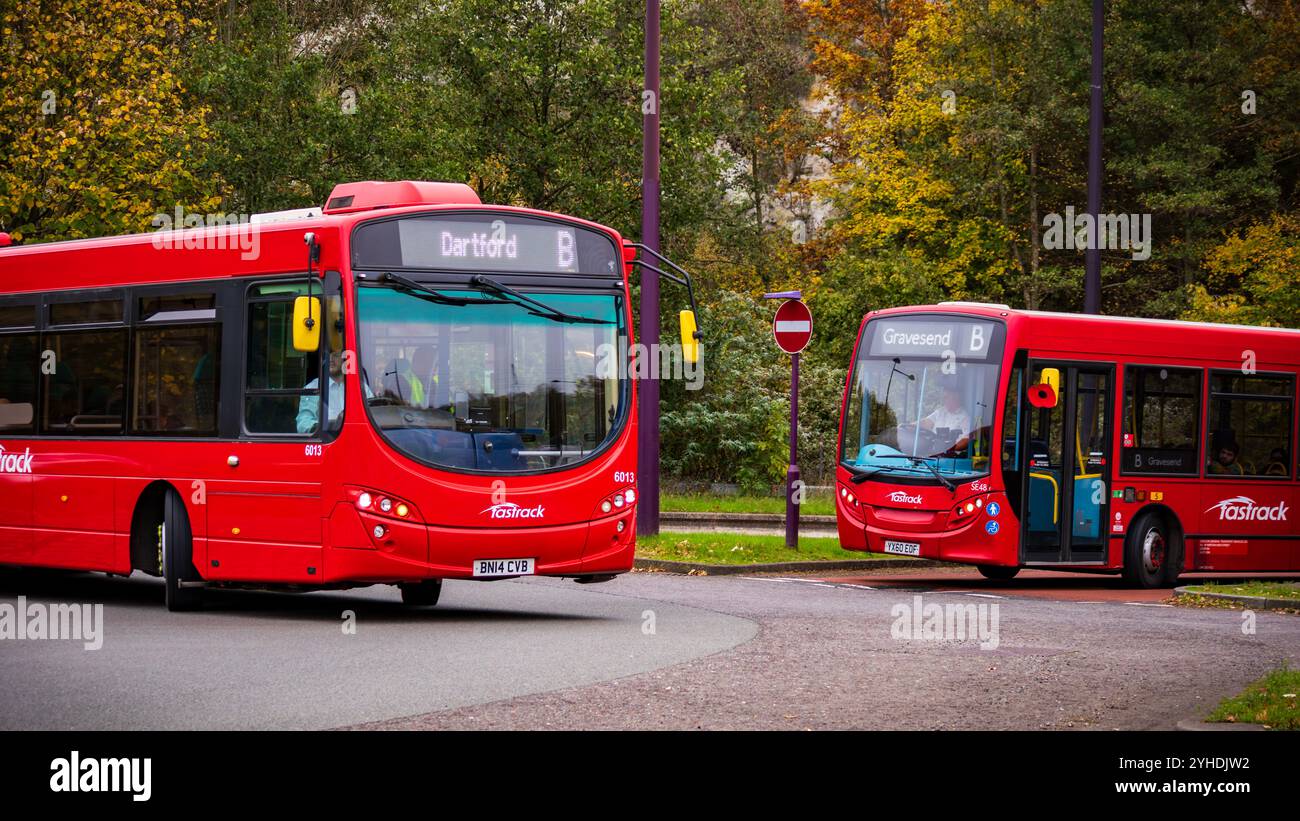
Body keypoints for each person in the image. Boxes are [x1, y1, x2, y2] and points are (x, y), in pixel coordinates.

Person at [297, 352, 370, 434]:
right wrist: (328, 427)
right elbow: (303, 422)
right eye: (327, 355)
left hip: (357, 436)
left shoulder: (360, 387)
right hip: (328, 440)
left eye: (335, 355)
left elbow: (374, 412)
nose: (330, 359)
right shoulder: (313, 388)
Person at [919, 383, 972, 451]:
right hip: (933, 453)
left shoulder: (965, 418)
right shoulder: (940, 412)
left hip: (951, 456)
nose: (943, 400)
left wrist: (949, 449)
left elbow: (966, 440)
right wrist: (908, 426)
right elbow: (925, 422)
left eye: (945, 397)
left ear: (955, 398)